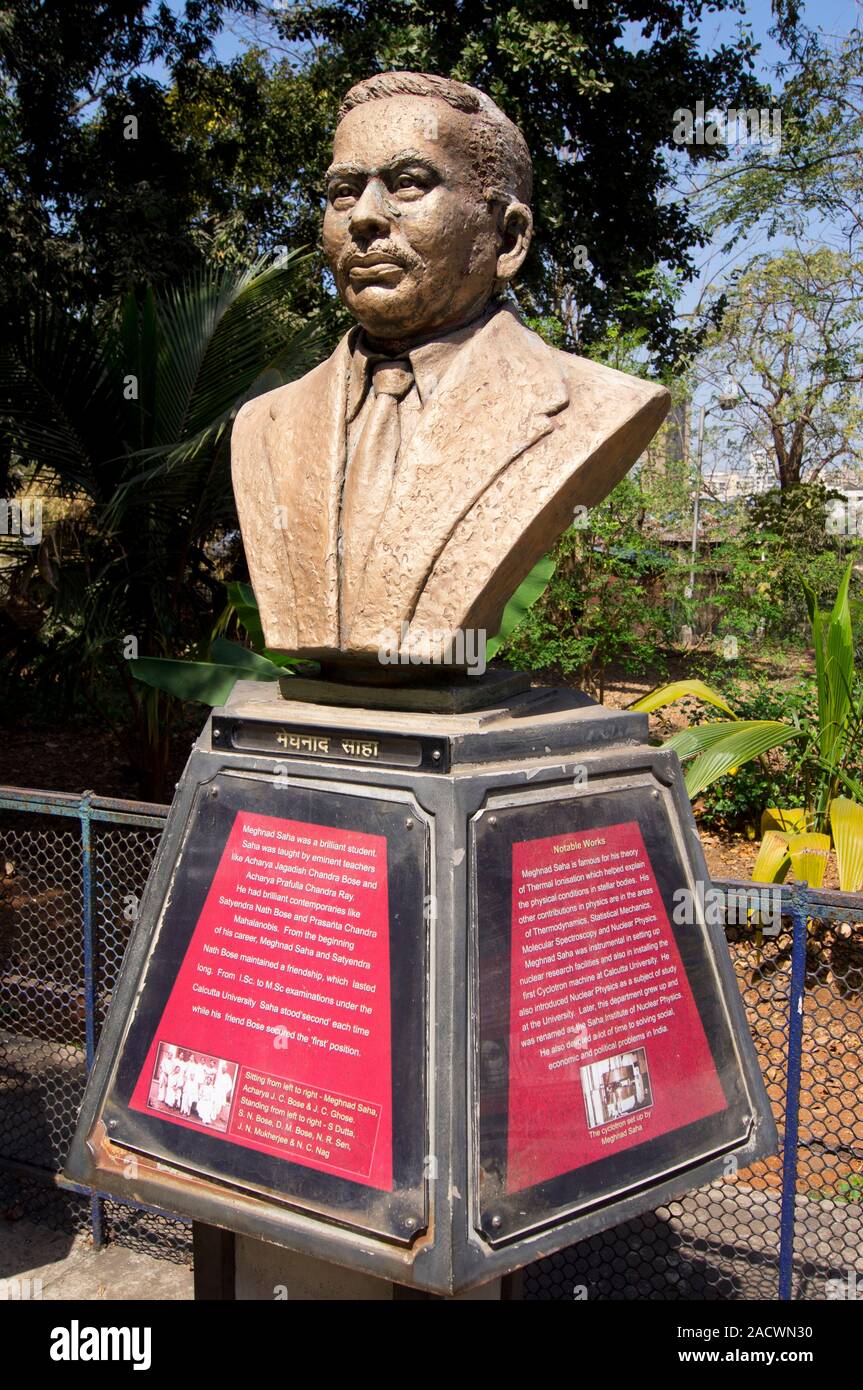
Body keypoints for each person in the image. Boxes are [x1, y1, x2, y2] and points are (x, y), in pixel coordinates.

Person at [232, 71, 668, 673]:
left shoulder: (595, 407)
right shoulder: (263, 426)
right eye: (342, 192)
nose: (364, 217)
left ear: (507, 238)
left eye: (410, 185)